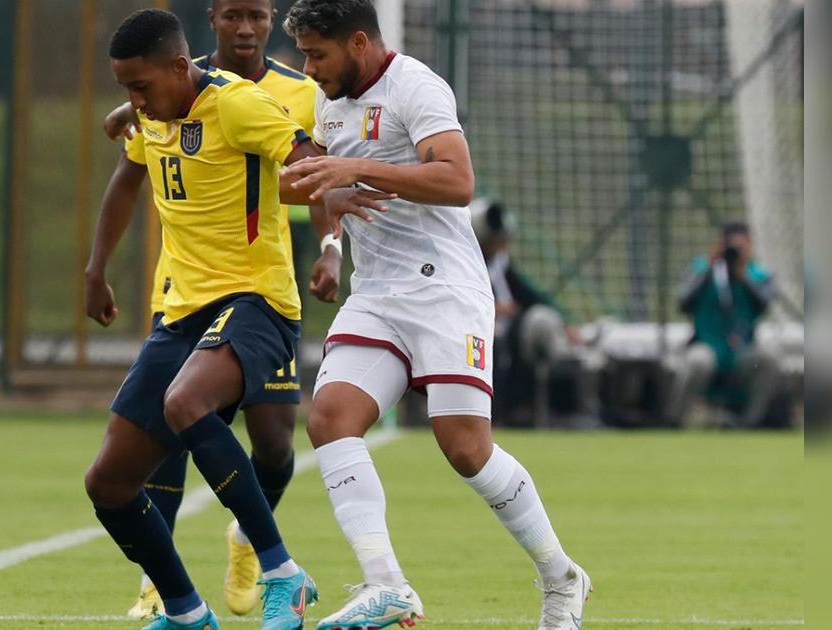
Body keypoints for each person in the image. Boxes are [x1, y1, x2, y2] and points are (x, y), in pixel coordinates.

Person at [279, 2, 591, 628]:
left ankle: (561, 576)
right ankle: (386, 585)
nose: (309, 68)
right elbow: (315, 182)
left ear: (359, 42)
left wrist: (357, 167)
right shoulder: (325, 103)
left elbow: (457, 181)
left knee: (466, 448)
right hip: (376, 293)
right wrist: (333, 240)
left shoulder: (416, 87)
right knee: (330, 419)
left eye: (318, 54)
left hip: (445, 289)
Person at [83, 9, 334, 630]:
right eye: (126, 90)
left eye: (141, 87)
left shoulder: (238, 105)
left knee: (199, 408)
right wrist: (95, 269)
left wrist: (332, 210)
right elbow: (126, 177)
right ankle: (187, 613)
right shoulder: (153, 111)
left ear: (179, 67)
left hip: (256, 301)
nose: (134, 101)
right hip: (182, 312)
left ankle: (282, 573)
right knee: (109, 484)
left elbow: (310, 160)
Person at [471, 199, 601, 423]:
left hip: (512, 328)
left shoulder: (501, 263)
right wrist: (493, 307)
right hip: (482, 330)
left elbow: (527, 294)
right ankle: (504, 410)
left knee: (537, 327)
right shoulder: (466, 261)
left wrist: (563, 321)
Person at [669, 222, 780, 427]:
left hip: (741, 351)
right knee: (698, 361)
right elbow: (682, 304)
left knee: (768, 360)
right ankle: (675, 420)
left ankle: (750, 423)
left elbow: (763, 306)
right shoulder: (703, 269)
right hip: (707, 346)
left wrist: (742, 274)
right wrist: (710, 269)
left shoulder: (758, 274)